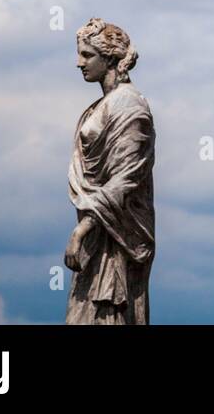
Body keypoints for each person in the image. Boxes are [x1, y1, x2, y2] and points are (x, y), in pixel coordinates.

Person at [65, 18, 155, 325]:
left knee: (110, 314)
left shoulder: (130, 107)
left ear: (110, 58)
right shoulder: (102, 106)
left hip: (117, 236)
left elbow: (126, 178)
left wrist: (82, 229)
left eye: (87, 55)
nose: (79, 63)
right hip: (99, 236)